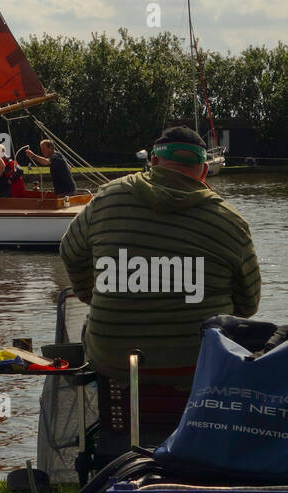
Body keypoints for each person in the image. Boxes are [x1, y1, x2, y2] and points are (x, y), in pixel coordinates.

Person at [59, 126, 261, 389]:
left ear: (153, 161)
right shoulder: (230, 222)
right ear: (203, 171)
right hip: (199, 367)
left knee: (91, 331)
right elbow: (248, 305)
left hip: (113, 361)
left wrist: (92, 295)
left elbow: (70, 252)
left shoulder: (108, 198)